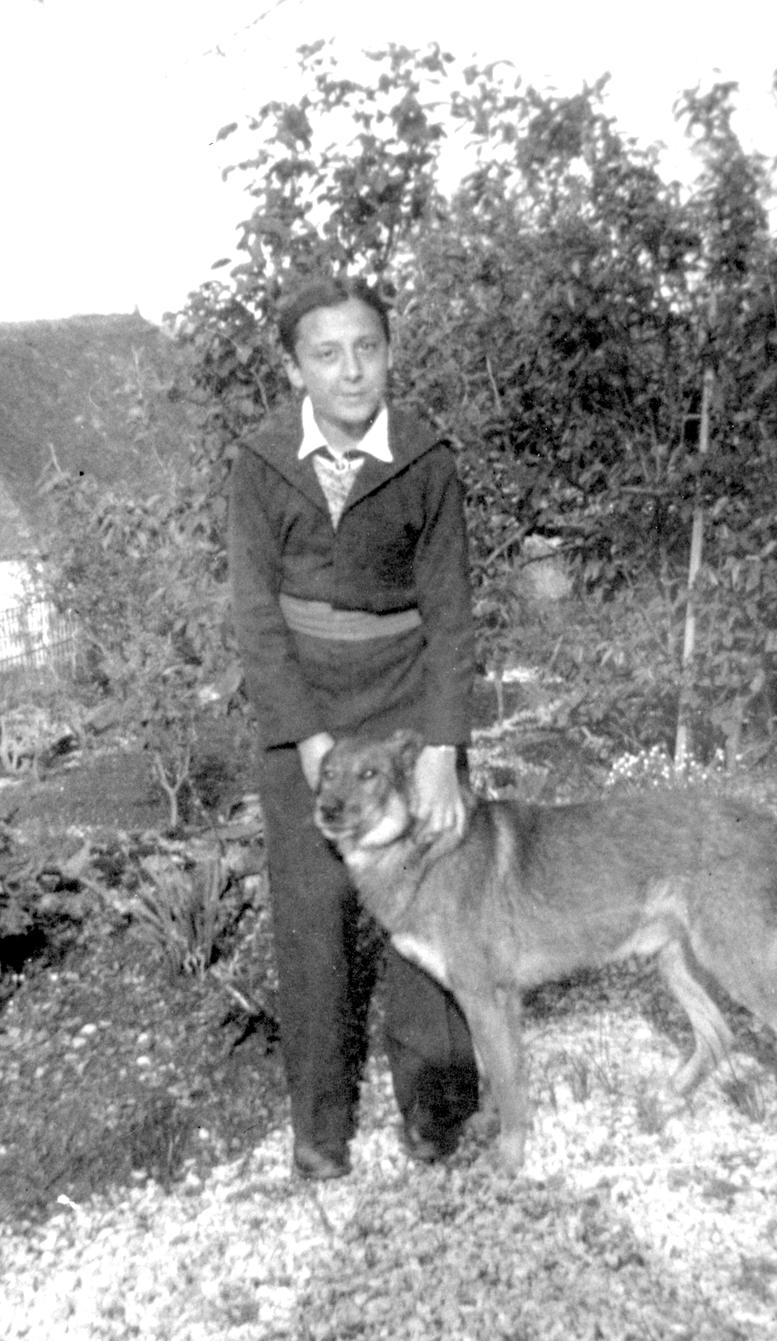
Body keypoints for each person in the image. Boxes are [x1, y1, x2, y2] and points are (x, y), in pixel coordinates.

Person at [227, 274, 481, 1180]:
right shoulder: (261, 465)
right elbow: (255, 617)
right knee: (315, 914)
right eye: (326, 354)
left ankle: (437, 1113)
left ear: (389, 353)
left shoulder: (426, 460)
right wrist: (305, 739)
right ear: (294, 367)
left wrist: (445, 750)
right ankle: (320, 1131)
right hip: (307, 704)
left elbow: (453, 615)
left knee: (428, 902)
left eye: (366, 349)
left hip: (408, 701)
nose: (350, 371)